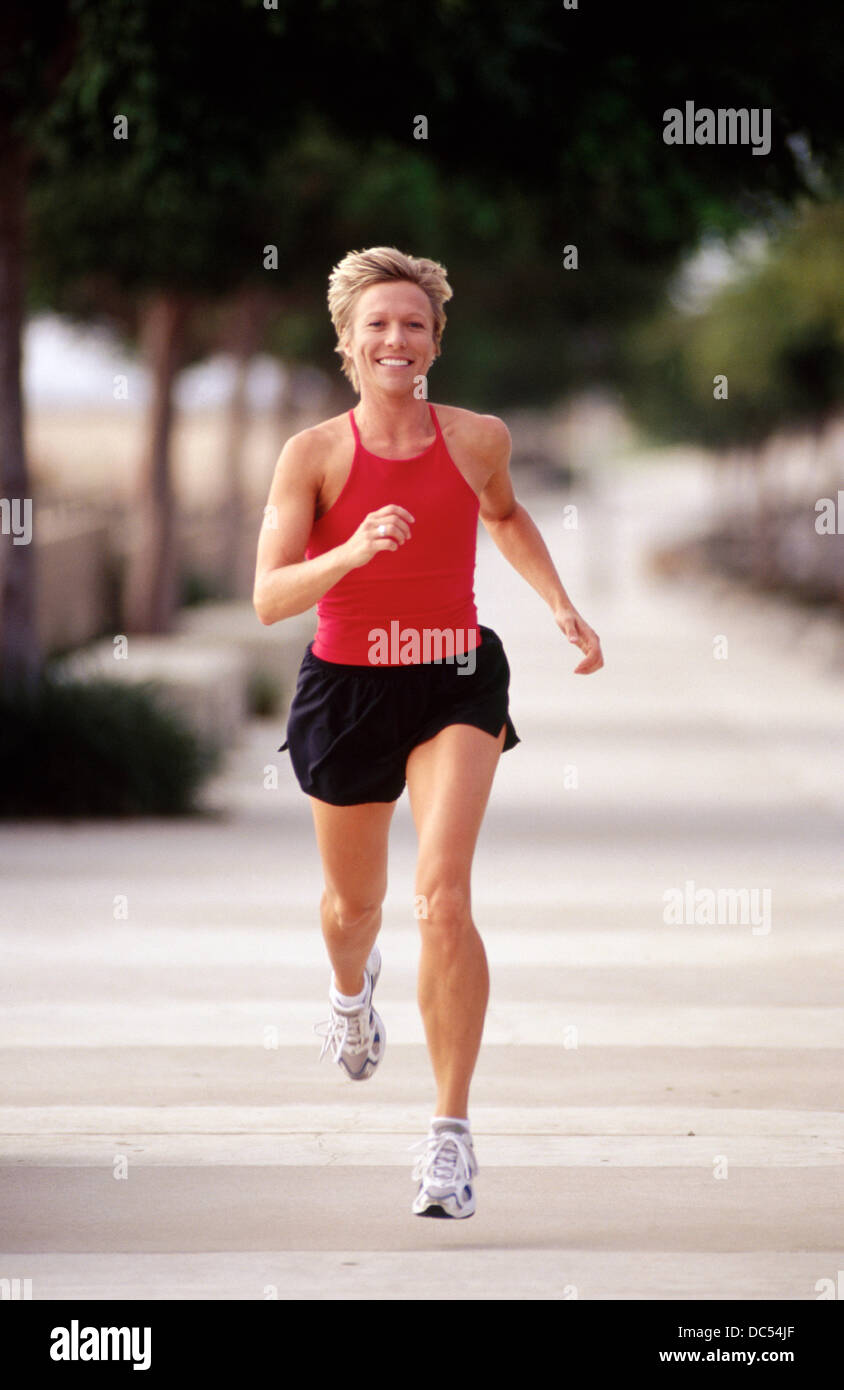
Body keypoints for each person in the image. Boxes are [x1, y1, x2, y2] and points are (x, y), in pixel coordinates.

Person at [253, 246, 603, 1219]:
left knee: (441, 896)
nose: (395, 339)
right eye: (377, 325)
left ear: (435, 340)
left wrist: (559, 603)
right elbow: (268, 595)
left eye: (412, 323)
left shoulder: (476, 436)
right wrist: (352, 551)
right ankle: (348, 991)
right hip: (347, 689)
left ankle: (448, 1137)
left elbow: (505, 513)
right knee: (350, 908)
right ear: (347, 343)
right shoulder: (313, 454)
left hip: (454, 674)